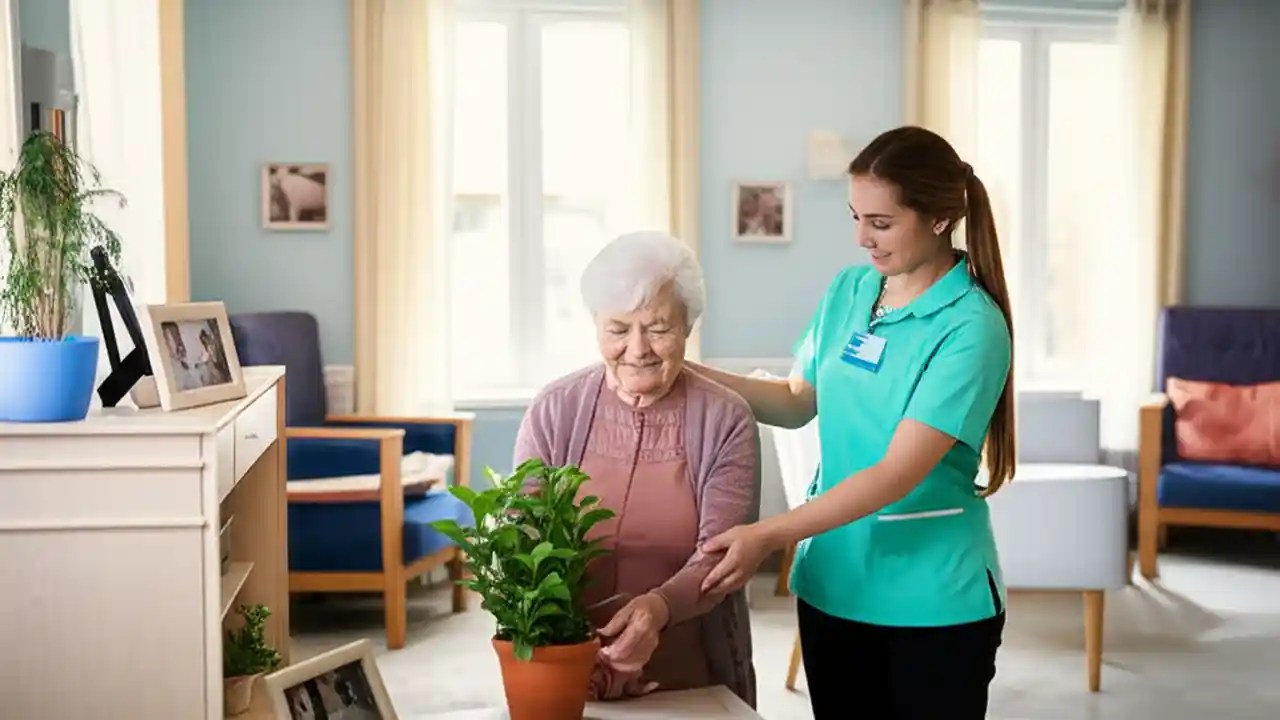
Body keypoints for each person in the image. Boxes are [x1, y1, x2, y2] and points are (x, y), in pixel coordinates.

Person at [688, 125, 1016, 719]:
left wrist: (768, 533)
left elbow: (896, 473)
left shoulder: (972, 327)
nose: (862, 237)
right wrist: (690, 373)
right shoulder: (850, 289)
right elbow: (795, 401)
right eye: (855, 216)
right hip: (834, 585)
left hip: (932, 602)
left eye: (881, 222)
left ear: (940, 218)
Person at [512, 230, 760, 707]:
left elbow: (722, 555)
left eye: (659, 327)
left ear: (688, 326)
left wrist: (658, 609)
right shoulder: (554, 409)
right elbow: (523, 533)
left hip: (693, 671)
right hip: (566, 665)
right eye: (619, 328)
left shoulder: (726, 418)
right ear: (596, 325)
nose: (638, 348)